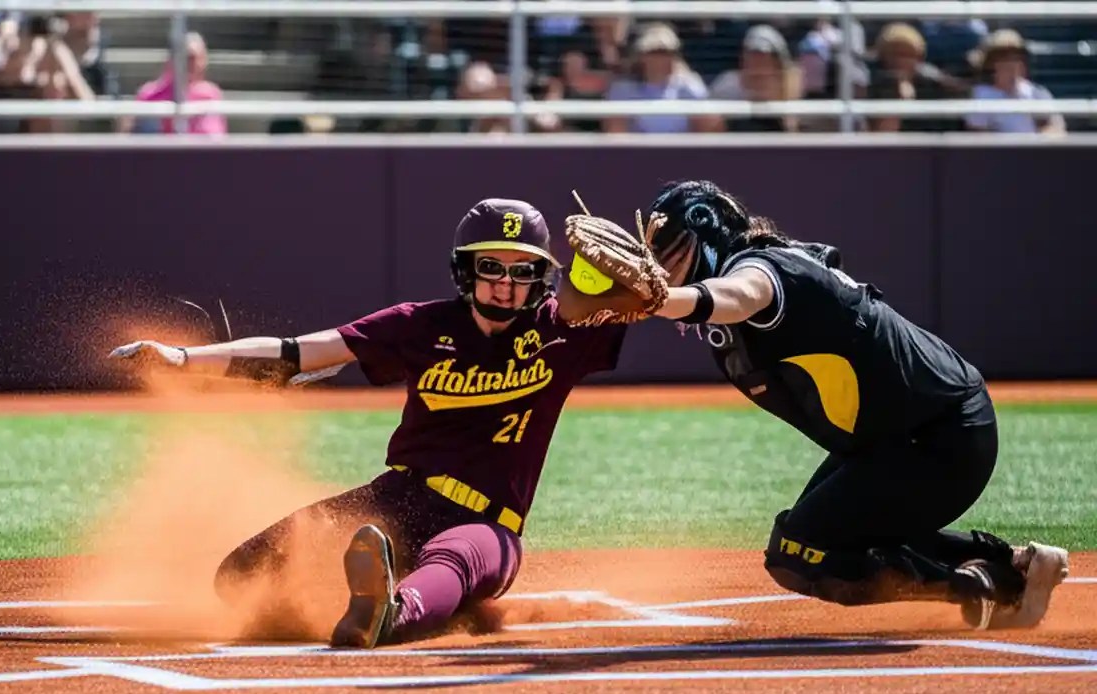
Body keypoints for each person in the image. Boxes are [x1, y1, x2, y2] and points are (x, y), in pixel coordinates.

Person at [110, 199, 627, 648]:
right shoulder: (420, 326)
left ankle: (391, 611)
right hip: (399, 498)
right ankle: (395, 595)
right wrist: (181, 359)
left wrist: (649, 282)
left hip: (489, 525)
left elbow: (643, 303)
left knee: (451, 558)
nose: (506, 284)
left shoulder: (564, 333)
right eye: (492, 266)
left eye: (522, 270)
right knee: (241, 576)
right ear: (465, 270)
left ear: (542, 277)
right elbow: (297, 353)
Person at [556, 180, 1068, 630]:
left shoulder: (762, 266)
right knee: (805, 542)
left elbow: (741, 294)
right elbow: (595, 311)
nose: (660, 270)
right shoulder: (751, 281)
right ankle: (1014, 564)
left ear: (709, 235)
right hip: (898, 438)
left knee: (803, 553)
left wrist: (662, 299)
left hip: (938, 436)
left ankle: (973, 590)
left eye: (672, 254)